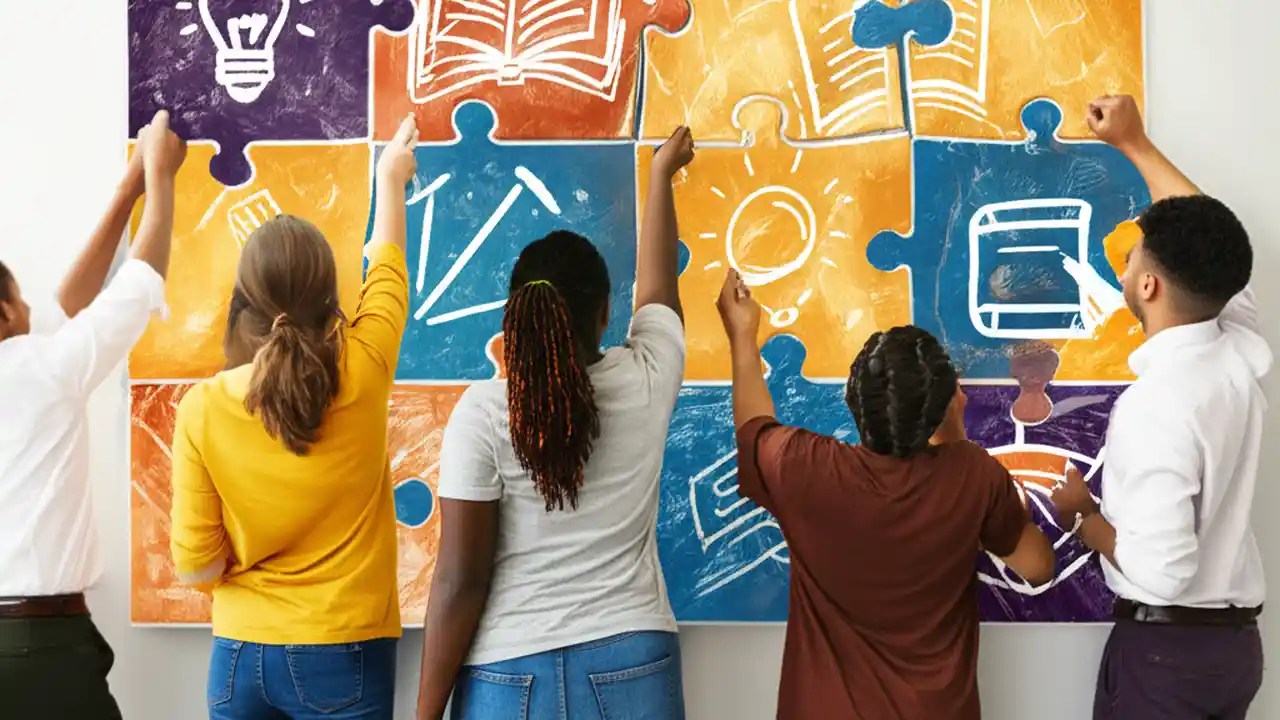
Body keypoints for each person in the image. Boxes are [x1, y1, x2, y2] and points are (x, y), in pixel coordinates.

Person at [415, 127, 695, 720]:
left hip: (507, 674)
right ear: (604, 315)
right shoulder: (647, 375)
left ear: (515, 320)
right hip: (633, 658)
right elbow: (660, 295)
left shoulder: (484, 413)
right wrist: (659, 176)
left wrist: (424, 714)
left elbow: (460, 582)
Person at [715, 273, 1056, 719]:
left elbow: (753, 425)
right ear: (949, 403)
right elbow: (1037, 566)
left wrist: (742, 334)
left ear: (851, 397)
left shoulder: (802, 467)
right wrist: (952, 431)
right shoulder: (972, 475)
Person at [168, 115, 419, 719]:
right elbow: (387, 270)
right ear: (330, 296)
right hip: (344, 650)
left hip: (238, 656)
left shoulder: (202, 409)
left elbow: (195, 566)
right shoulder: (367, 361)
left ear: (244, 303)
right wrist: (390, 179)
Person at [1051, 95, 1269, 720]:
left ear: (1147, 286)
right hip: (1230, 653)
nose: (1124, 259)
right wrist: (1134, 144)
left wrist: (1083, 516)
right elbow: (1221, 252)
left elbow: (1166, 571)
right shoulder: (1240, 348)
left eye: (1131, 256)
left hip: (1168, 655)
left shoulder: (1155, 406)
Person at [0, 110, 186, 718]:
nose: (37, 307)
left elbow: (66, 306)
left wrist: (128, 187)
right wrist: (161, 176)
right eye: (22, 300)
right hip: (41, 645)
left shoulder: (41, 363)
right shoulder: (43, 369)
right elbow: (139, 283)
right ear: (6, 317)